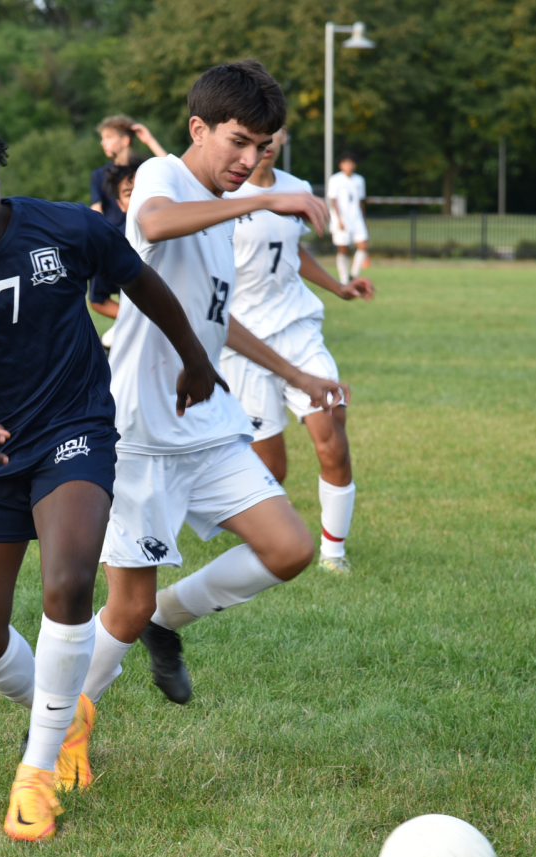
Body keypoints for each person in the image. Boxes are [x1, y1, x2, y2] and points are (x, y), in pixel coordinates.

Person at [0, 115, 221, 842]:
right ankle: (67, 715)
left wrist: (194, 357)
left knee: (68, 583)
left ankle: (36, 775)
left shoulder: (65, 228)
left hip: (75, 429)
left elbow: (142, 282)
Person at [82, 60, 349, 725]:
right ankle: (63, 727)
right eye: (238, 142)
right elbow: (155, 222)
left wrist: (298, 376)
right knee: (124, 608)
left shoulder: (223, 209)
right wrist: (260, 200)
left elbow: (217, 315)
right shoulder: (163, 175)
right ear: (198, 128)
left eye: (262, 146)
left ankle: (166, 620)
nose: (250, 160)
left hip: (206, 421)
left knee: (289, 549)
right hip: (140, 430)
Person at [223, 127, 374, 574]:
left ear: (284, 135)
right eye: (255, 133)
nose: (266, 142)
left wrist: (338, 287)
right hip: (245, 343)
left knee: (332, 436)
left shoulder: (297, 188)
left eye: (273, 131)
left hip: (298, 331)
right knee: (273, 469)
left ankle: (333, 555)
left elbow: (292, 250)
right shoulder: (222, 195)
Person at [88, 116, 167, 323]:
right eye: (128, 194)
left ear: (125, 140)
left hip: (149, 234)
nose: (103, 143)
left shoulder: (145, 168)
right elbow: (96, 211)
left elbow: (175, 174)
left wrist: (149, 140)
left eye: (108, 137)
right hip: (119, 238)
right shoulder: (100, 175)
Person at [93, 158, 144, 353]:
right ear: (120, 204)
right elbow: (98, 300)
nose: (139, 198)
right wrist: (140, 319)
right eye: (129, 194)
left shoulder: (182, 232)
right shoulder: (112, 243)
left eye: (144, 189)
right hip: (140, 338)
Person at [326, 151, 368, 283]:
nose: (349, 166)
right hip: (342, 219)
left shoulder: (359, 180)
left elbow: (361, 201)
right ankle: (344, 280)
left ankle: (353, 275)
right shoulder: (335, 179)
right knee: (343, 250)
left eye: (351, 163)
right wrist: (339, 219)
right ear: (341, 165)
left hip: (356, 218)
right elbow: (333, 200)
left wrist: (364, 220)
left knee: (363, 247)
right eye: (346, 163)